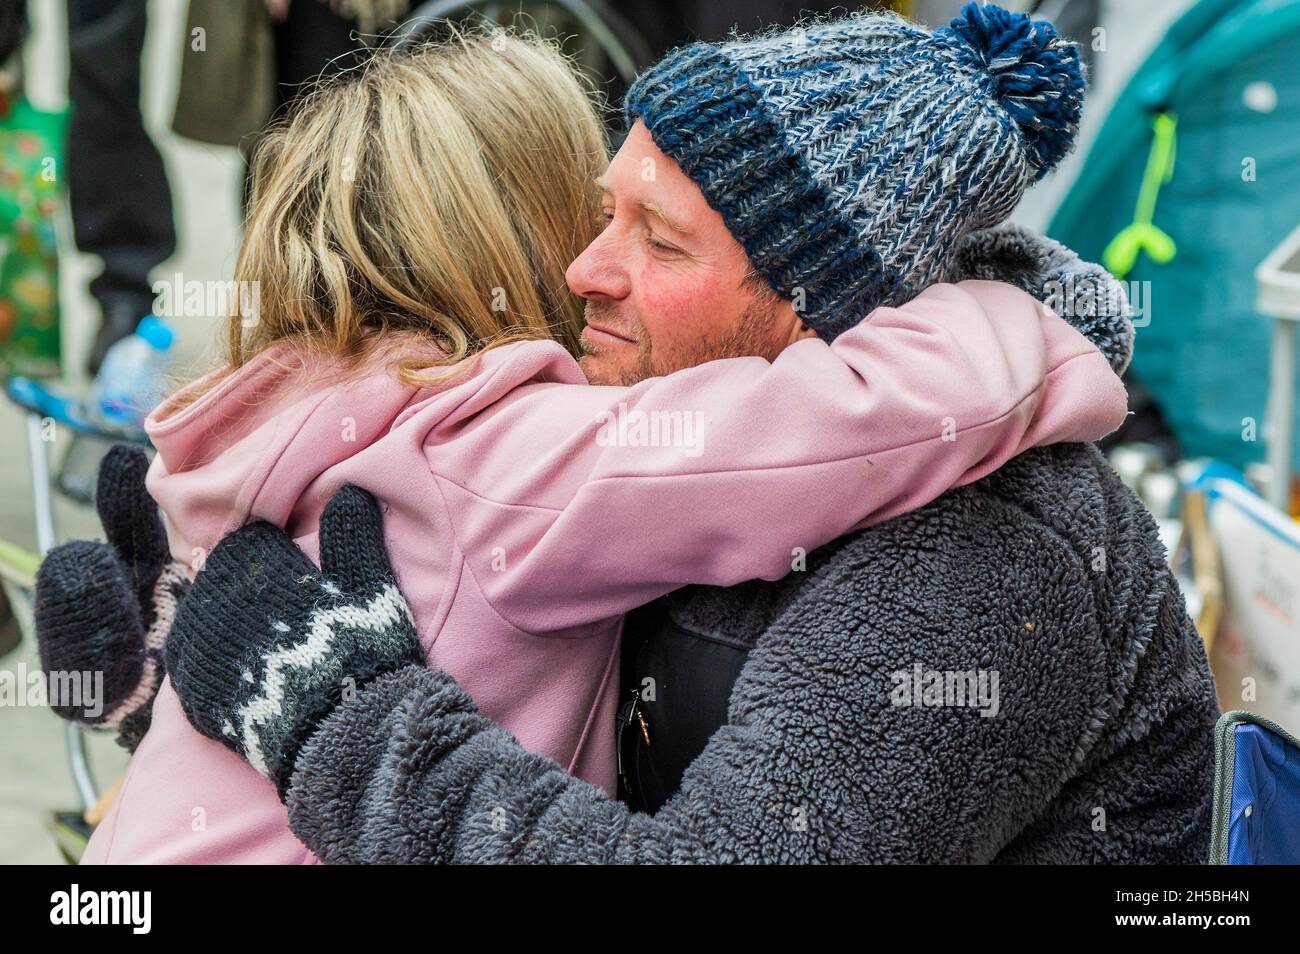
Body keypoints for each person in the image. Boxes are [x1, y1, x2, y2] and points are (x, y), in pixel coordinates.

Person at [39, 7, 1151, 864]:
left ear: (828, 312)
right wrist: (189, 696)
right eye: (595, 213)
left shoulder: (972, 564)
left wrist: (336, 722)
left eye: (658, 242)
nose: (585, 272)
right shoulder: (539, 442)